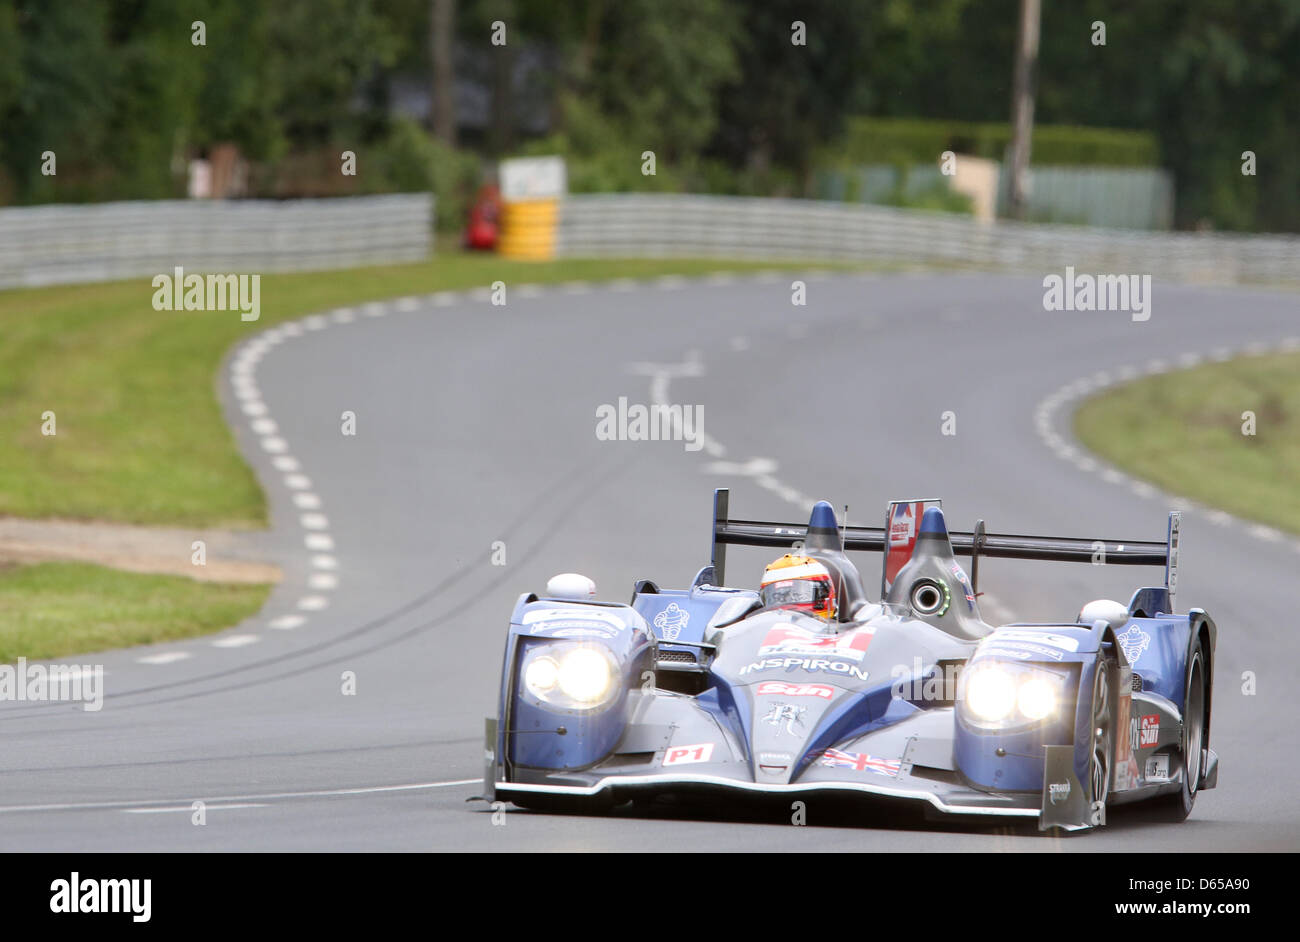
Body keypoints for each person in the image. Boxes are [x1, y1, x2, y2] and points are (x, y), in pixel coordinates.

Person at [759, 554, 837, 621]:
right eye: (779, 597)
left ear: (823, 594)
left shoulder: (843, 632)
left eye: (797, 596)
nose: (789, 608)